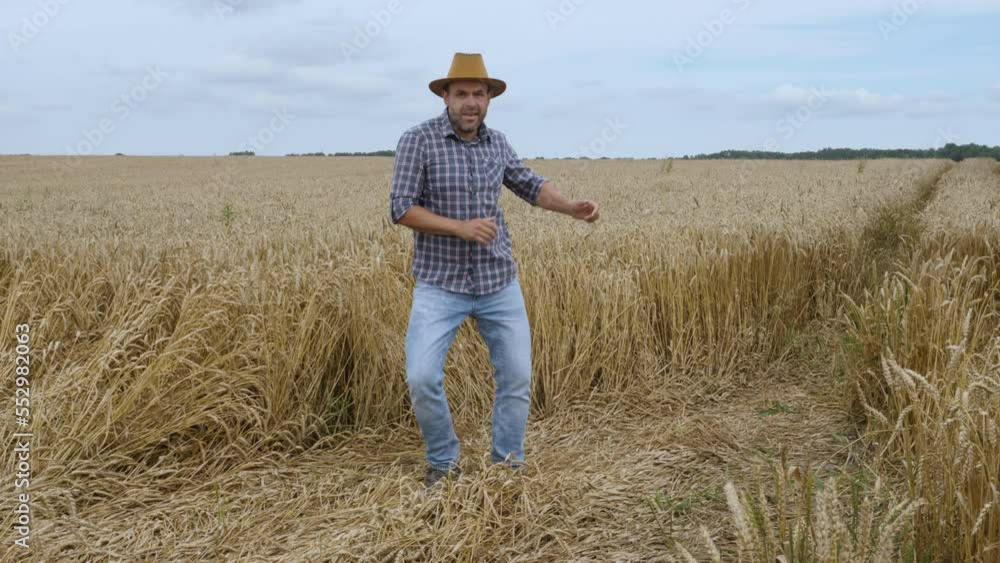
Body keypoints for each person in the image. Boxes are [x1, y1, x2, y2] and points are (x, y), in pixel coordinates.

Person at [389, 52, 600, 489]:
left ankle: (507, 469)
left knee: (517, 378)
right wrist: (460, 228)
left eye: (479, 94)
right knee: (422, 377)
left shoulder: (497, 143)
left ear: (489, 99)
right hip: (439, 284)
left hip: (497, 282)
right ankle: (444, 463)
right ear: (445, 97)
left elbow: (530, 184)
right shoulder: (418, 141)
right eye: (462, 93)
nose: (471, 102)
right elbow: (402, 208)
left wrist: (571, 208)